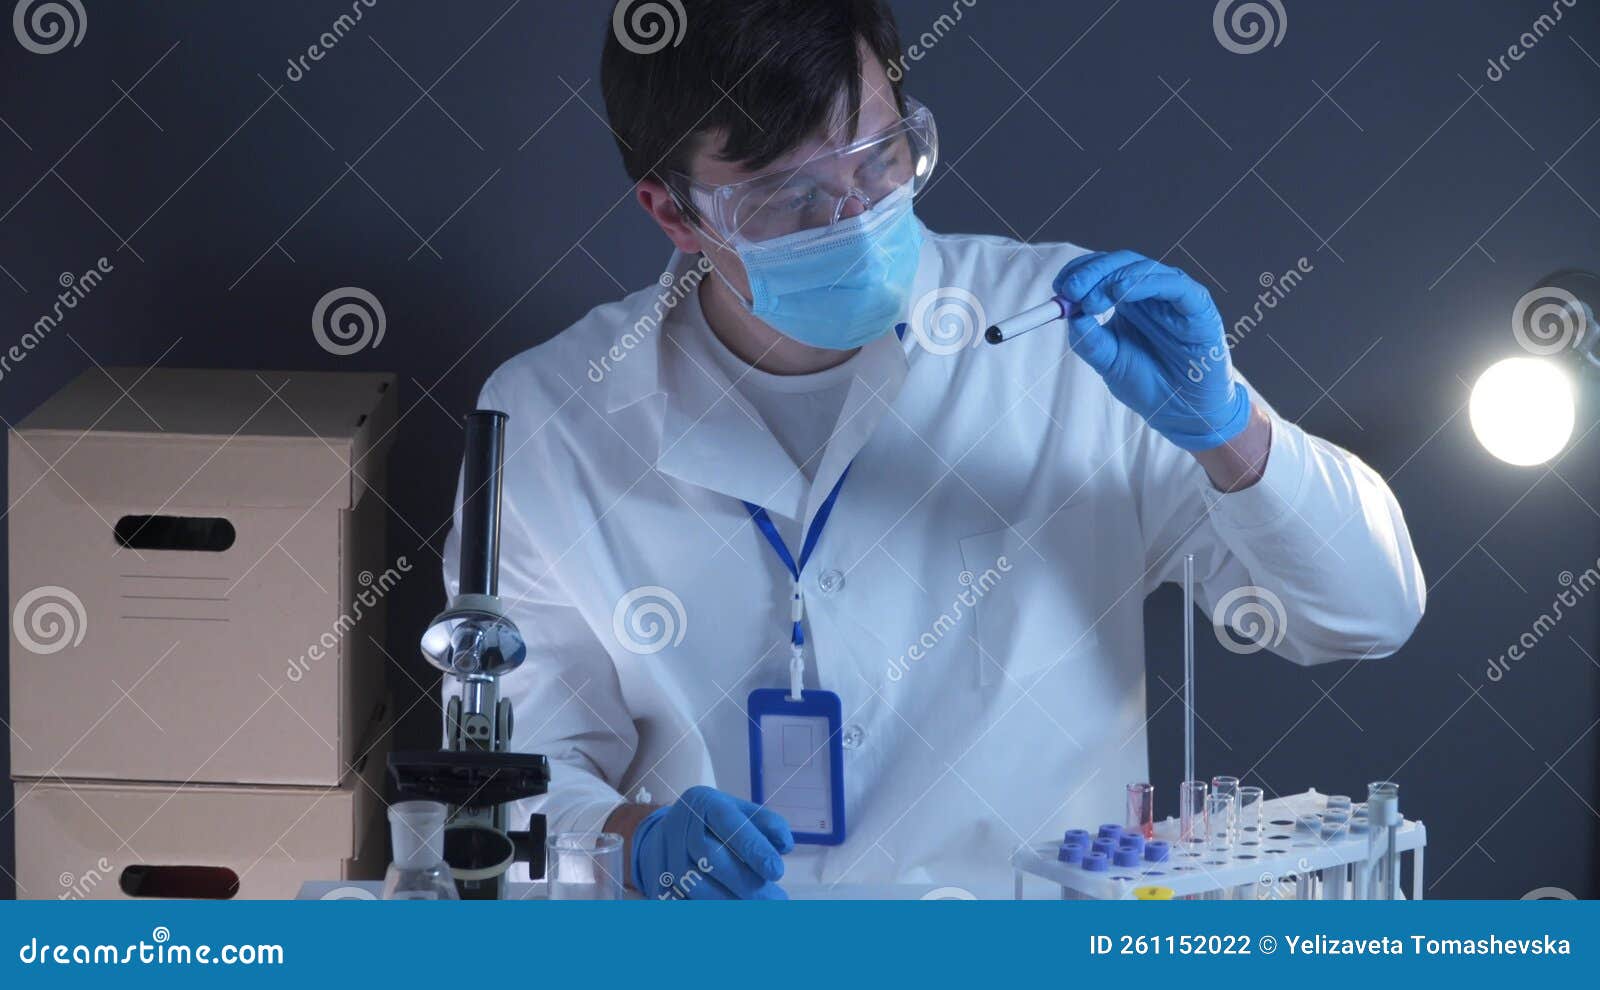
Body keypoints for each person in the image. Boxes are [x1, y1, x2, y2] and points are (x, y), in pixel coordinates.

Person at [442, 0, 1425, 899]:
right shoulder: (551, 416)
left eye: (879, 159)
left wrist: (1232, 435)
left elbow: (1361, 616)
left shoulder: (1073, 339)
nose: (857, 220)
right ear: (674, 212)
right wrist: (630, 845)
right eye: (785, 198)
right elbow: (510, 778)